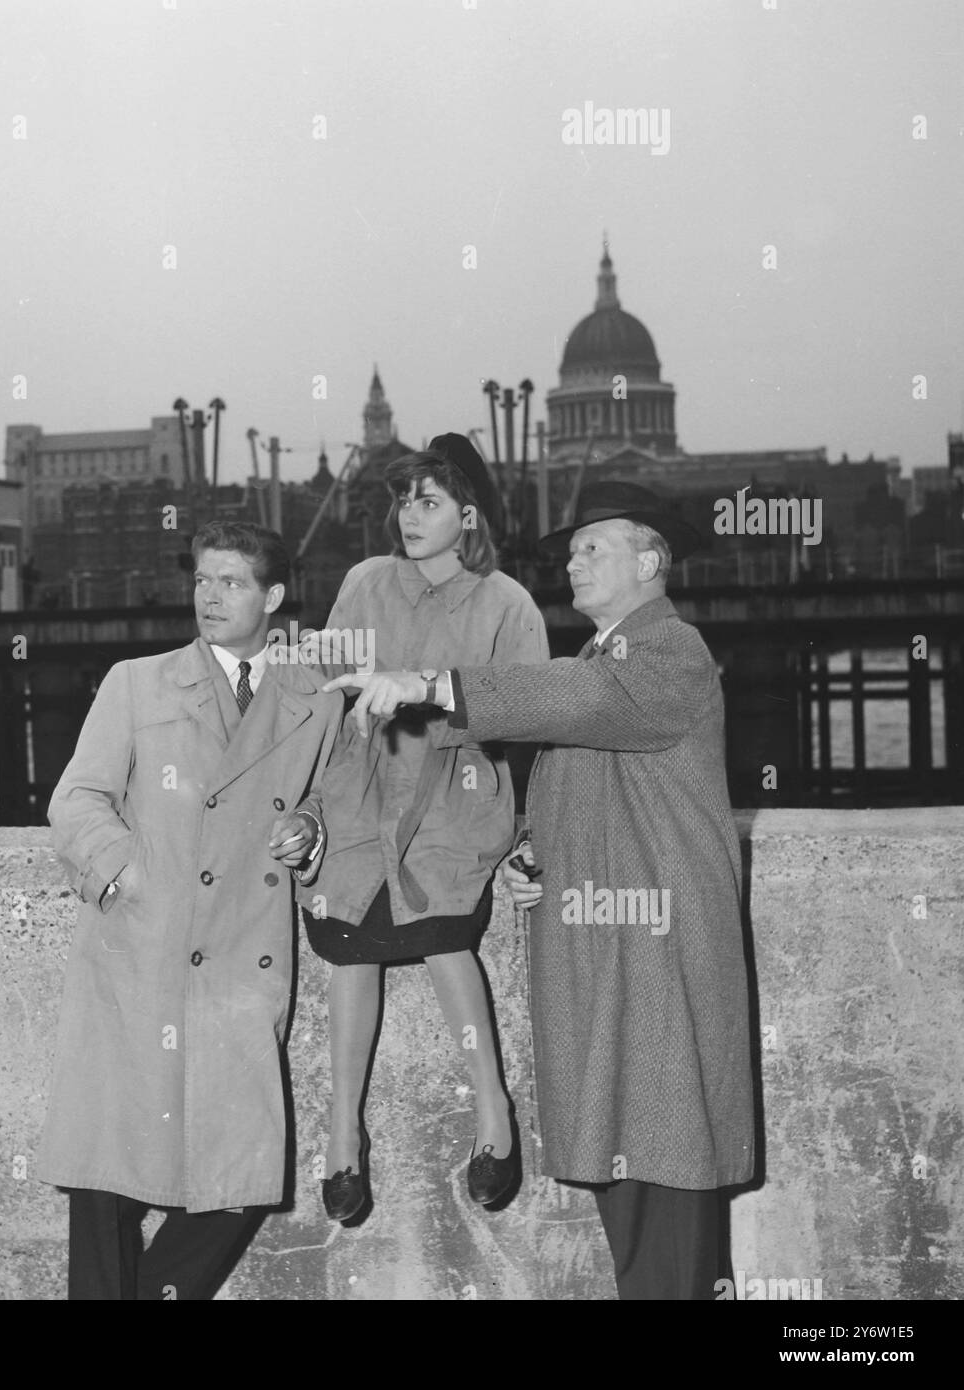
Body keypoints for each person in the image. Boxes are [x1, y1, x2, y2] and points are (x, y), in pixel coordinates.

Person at [326, 480, 755, 1298]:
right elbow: (594, 770)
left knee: (666, 1193)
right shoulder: (606, 658)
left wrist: (431, 684)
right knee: (638, 1191)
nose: (573, 559)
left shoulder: (668, 650)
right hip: (621, 959)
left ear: (650, 560)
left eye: (594, 546)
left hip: (657, 966)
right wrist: (535, 856)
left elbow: (578, 700)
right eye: (571, 549)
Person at [36, 520, 345, 1299]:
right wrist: (125, 878)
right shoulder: (137, 681)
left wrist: (309, 828)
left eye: (232, 582)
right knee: (106, 1178)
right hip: (139, 953)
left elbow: (327, 800)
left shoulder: (316, 697)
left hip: (244, 954)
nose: (210, 597)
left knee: (239, 1178)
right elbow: (77, 799)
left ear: (273, 597)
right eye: (203, 580)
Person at [303, 434, 548, 1221]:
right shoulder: (365, 581)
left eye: (429, 501)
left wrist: (529, 831)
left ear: (468, 516)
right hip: (359, 795)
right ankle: (343, 1135)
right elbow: (320, 690)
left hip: (451, 798)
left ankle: (492, 1114)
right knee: (347, 947)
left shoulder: (507, 603)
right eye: (403, 500)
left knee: (446, 938)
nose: (409, 514)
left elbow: (534, 713)